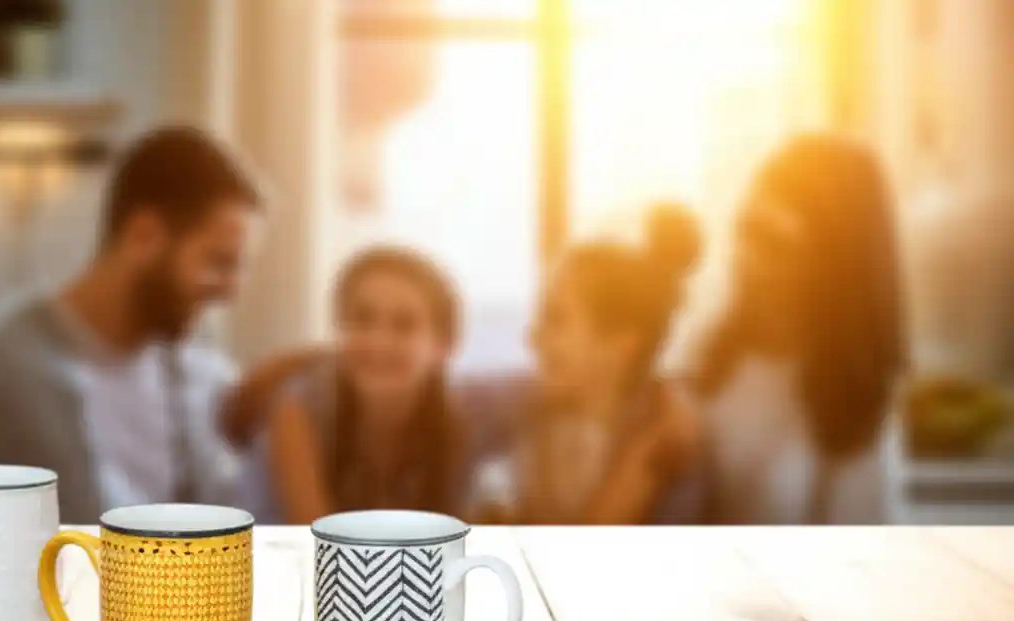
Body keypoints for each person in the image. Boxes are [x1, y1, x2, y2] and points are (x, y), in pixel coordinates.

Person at [0, 126, 263, 523]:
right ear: (144, 236)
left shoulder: (191, 366)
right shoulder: (9, 375)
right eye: (218, 262)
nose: (230, 292)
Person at [695, 135, 904, 524]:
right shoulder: (709, 361)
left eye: (774, 244)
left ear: (831, 265)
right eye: (747, 229)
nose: (746, 258)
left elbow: (851, 568)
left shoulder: (852, 413)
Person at [498, 205, 703, 524]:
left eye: (556, 319)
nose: (533, 337)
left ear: (620, 344)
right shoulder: (524, 412)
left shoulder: (678, 457)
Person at [252, 246, 471, 524]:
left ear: (444, 346)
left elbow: (538, 390)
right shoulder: (298, 411)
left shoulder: (462, 416)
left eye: (404, 325)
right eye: (362, 319)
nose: (378, 341)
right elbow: (320, 546)